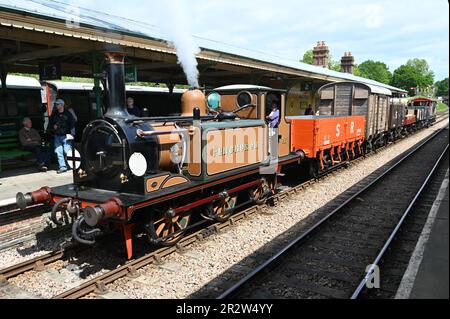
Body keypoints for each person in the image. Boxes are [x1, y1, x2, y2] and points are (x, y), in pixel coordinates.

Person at [49, 99, 75, 174]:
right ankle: (63, 167)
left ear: (62, 105)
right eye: (56, 104)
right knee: (58, 151)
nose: (56, 106)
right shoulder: (54, 114)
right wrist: (52, 127)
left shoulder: (68, 114)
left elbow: (72, 124)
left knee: (67, 151)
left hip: (66, 135)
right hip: (57, 135)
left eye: (58, 104)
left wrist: (72, 134)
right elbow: (51, 123)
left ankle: (71, 165)